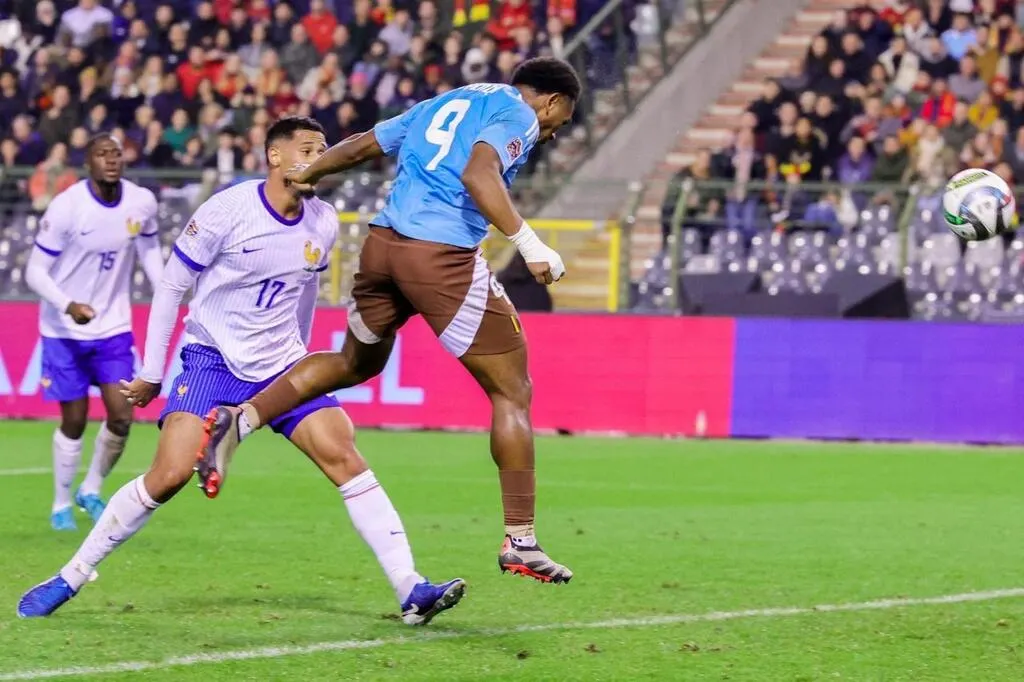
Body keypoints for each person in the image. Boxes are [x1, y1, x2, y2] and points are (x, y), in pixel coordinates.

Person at [18, 117, 465, 624]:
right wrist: (152, 371)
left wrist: (302, 359)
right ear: (274, 157)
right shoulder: (228, 210)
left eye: (324, 149)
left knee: (343, 451)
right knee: (168, 476)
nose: (319, 156)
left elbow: (305, 294)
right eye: (307, 148)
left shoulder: (322, 219)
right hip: (212, 358)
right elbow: (170, 287)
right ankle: (71, 575)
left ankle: (410, 589)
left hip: (281, 363)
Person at [199, 57, 580, 584]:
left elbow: (361, 145)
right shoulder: (518, 115)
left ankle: (237, 420)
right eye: (560, 121)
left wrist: (308, 171)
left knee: (354, 362)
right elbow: (478, 172)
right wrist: (530, 243)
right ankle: (521, 540)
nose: (555, 132)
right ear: (553, 100)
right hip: (441, 255)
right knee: (512, 391)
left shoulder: (448, 100)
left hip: (382, 248)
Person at [25, 134, 163, 531]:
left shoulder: (141, 202)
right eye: (102, 154)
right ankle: (60, 504)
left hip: (113, 327)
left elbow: (149, 249)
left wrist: (164, 291)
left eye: (117, 153)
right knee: (75, 419)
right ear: (87, 163)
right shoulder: (68, 208)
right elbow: (34, 272)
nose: (111, 160)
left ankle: (92, 487)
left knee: (122, 415)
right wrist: (68, 305)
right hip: (63, 329)